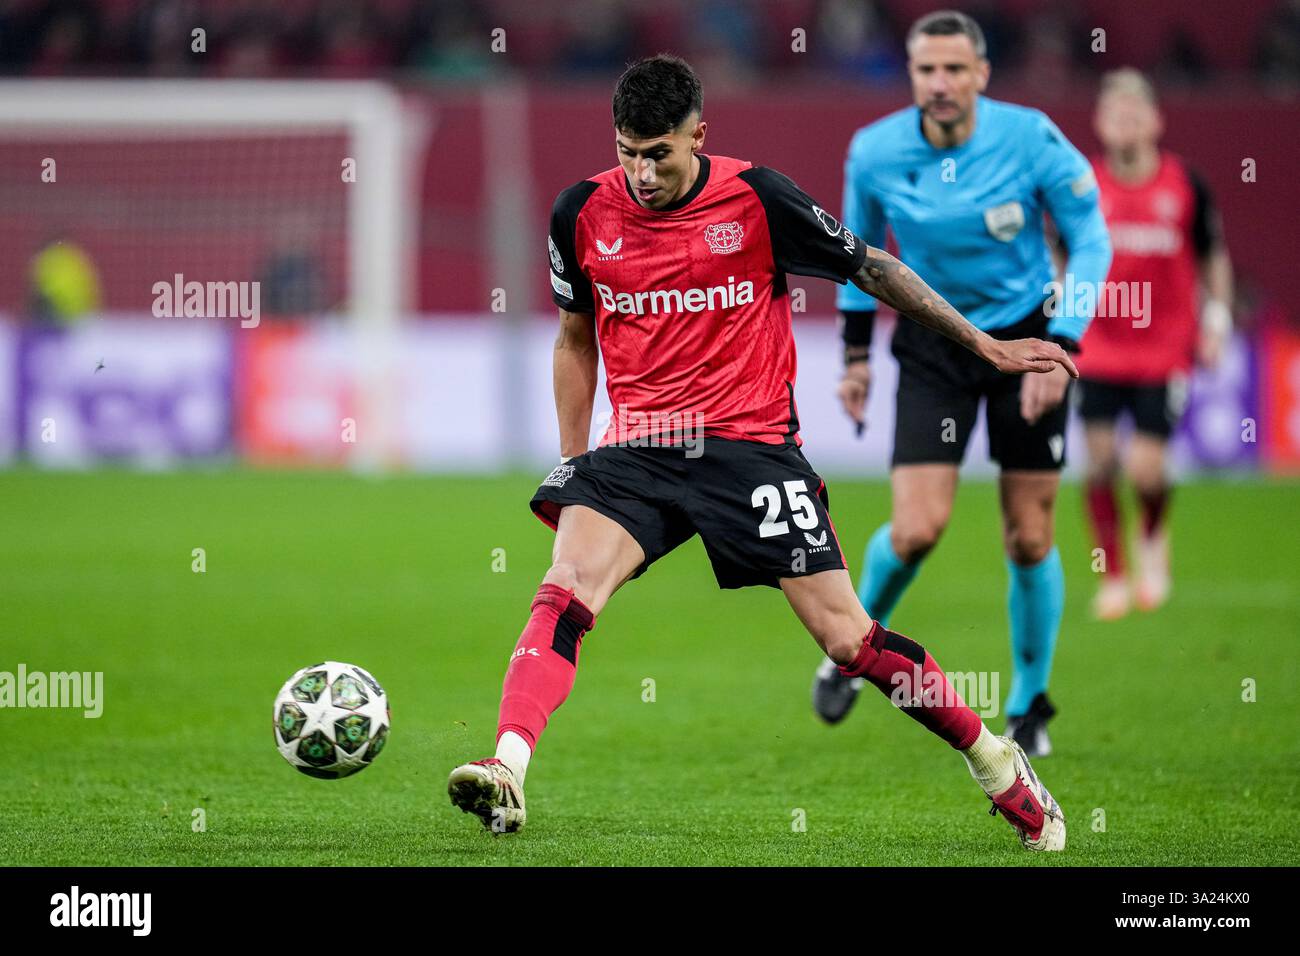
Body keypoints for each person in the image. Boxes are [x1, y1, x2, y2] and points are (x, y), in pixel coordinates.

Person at [447, 54, 1076, 850]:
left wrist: (984, 346)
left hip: (750, 450)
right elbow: (575, 340)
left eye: (660, 153)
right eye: (628, 151)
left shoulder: (758, 199)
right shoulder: (580, 214)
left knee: (849, 639)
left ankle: (995, 762)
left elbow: (873, 269)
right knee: (563, 589)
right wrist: (577, 465)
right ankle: (507, 770)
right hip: (638, 451)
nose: (641, 172)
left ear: (699, 135)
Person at [813, 10, 1111, 758]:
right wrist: (855, 359)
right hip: (934, 343)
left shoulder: (1030, 136)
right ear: (911, 76)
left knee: (1030, 534)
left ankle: (1028, 704)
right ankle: (847, 647)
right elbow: (857, 256)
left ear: (981, 73)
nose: (939, 84)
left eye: (954, 69)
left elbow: (1091, 235)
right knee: (916, 529)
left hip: (1029, 337)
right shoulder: (874, 151)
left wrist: (1064, 346)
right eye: (926, 71)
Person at [1078, 68, 1233, 620]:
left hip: (1164, 349)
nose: (1124, 123)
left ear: (1155, 120)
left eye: (1134, 113)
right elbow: (1057, 254)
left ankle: (1151, 538)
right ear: (1099, 122)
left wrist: (1214, 319)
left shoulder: (1185, 185)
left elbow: (1214, 255)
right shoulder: (1084, 186)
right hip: (1097, 346)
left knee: (1146, 469)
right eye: (1114, 113)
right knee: (1098, 463)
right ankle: (1113, 576)